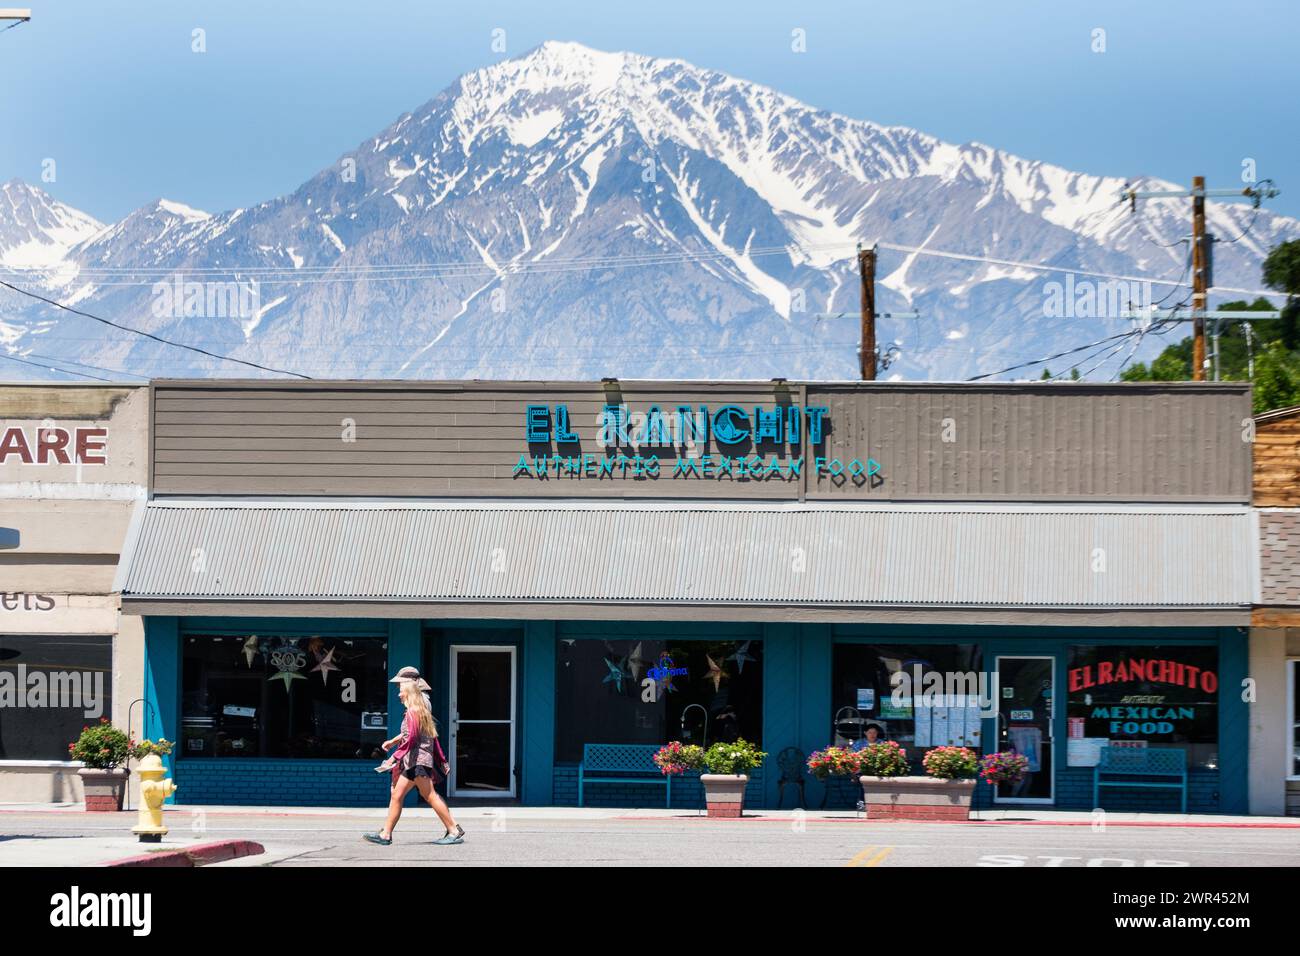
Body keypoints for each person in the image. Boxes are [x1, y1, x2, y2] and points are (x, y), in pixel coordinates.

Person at [364, 675, 465, 846]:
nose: (399, 695)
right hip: (414, 762)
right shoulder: (420, 711)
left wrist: (393, 759)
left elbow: (411, 738)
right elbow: (432, 738)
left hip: (417, 762)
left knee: (430, 795)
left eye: (402, 691)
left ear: (410, 693)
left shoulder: (413, 712)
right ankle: (385, 834)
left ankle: (454, 830)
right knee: (397, 795)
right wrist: (442, 760)